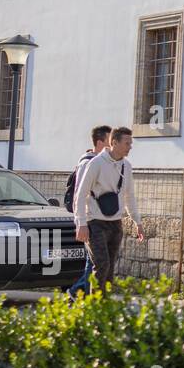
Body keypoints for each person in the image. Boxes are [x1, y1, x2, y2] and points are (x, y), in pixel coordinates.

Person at [72, 127, 145, 291]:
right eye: (127, 143)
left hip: (115, 224)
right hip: (95, 223)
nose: (130, 147)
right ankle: (94, 308)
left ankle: (103, 307)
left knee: (110, 271)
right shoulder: (96, 163)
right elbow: (81, 194)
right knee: (101, 266)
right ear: (114, 142)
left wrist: (137, 222)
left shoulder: (126, 166)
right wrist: (81, 224)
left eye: (131, 143)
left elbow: (129, 196)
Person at [64, 124, 111, 297]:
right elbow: (79, 195)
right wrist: (81, 222)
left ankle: (79, 295)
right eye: (109, 141)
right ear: (99, 143)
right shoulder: (87, 163)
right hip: (90, 220)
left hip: (99, 219)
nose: (112, 145)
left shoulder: (102, 162)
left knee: (92, 262)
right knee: (95, 263)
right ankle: (76, 293)